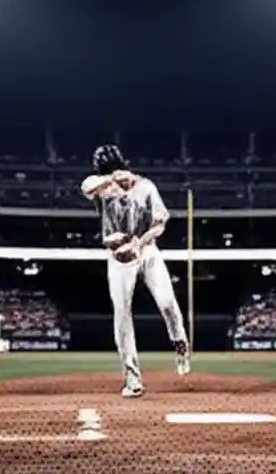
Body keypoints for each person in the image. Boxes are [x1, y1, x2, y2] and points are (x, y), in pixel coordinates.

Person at [81, 144, 190, 397]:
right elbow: (87, 188)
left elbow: (160, 224)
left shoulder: (146, 186)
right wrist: (112, 179)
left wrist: (138, 243)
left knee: (167, 302)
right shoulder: (99, 184)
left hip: (147, 250)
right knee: (122, 313)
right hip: (117, 255)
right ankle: (132, 378)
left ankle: (180, 343)